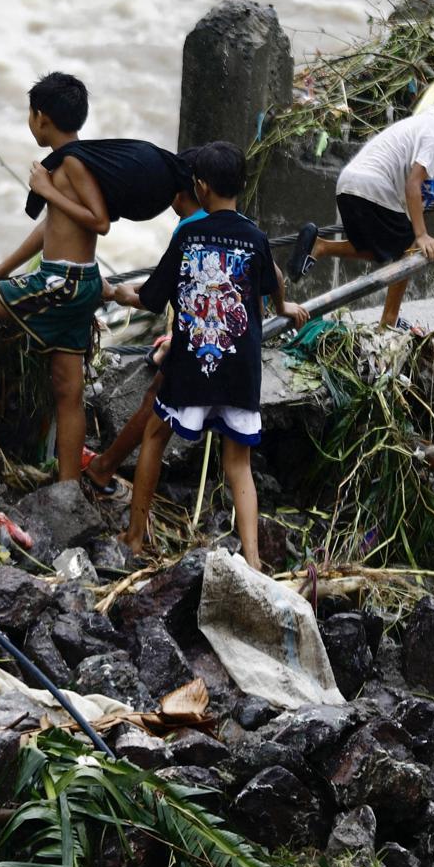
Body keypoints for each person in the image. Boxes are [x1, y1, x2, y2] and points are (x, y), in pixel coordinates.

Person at [0, 72, 187, 484]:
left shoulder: (72, 162)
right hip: (82, 282)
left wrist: (45, 188)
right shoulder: (85, 161)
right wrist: (2, 269)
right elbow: (53, 227)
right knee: (67, 391)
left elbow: (100, 222)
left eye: (30, 114)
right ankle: (69, 487)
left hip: (61, 282)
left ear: (41, 118)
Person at [107, 142, 306, 563]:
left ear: (200, 186)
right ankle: (252, 559)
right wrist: (284, 307)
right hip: (240, 366)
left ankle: (135, 538)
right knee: (239, 464)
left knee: (155, 437)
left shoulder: (189, 235)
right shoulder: (255, 237)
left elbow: (151, 297)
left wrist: (120, 293)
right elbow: (272, 278)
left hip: (192, 364)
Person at [288, 59, 434, 327]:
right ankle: (389, 319)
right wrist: (421, 235)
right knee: (410, 248)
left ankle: (321, 246)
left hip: (350, 187)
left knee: (382, 251)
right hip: (373, 189)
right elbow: (413, 184)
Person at [80, 166, 209, 509]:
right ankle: (105, 467)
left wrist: (115, 293)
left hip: (199, 339)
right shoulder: (226, 223)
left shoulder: (189, 228)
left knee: (156, 409)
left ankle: (106, 472)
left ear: (186, 191)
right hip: (214, 333)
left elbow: (154, 295)